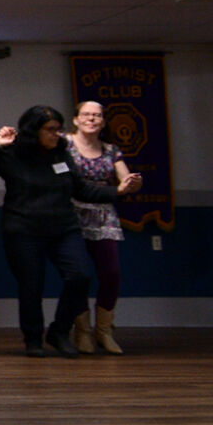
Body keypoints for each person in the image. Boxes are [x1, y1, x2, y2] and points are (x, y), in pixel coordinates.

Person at [0, 105, 140, 358]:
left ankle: (59, 331)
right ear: (34, 130)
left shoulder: (60, 152)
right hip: (23, 230)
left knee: (81, 275)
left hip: (63, 228)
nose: (56, 135)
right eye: (50, 130)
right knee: (31, 286)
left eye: (59, 130)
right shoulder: (12, 152)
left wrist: (118, 192)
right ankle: (33, 339)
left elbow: (82, 189)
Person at [66, 101, 135, 354]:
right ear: (76, 119)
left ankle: (104, 331)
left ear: (103, 122)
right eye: (86, 114)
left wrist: (131, 184)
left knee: (111, 273)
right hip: (71, 216)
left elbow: (124, 179)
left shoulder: (110, 150)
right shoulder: (64, 145)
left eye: (97, 115)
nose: (91, 119)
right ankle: (82, 331)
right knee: (78, 275)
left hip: (103, 215)